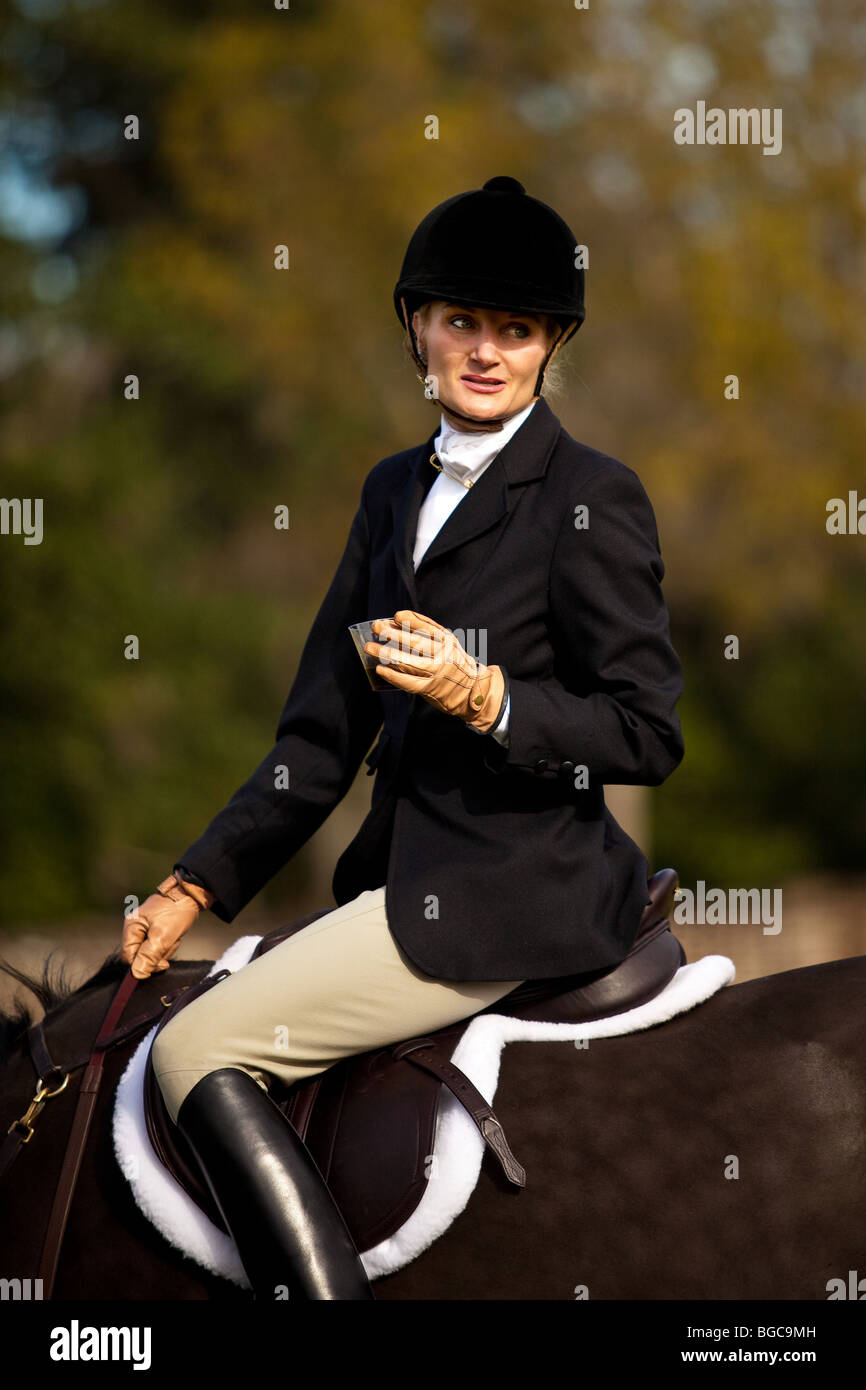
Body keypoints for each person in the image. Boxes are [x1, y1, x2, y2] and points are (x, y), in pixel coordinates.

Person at [120, 175, 684, 1301]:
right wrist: (195, 882)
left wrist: (490, 699)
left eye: (513, 330)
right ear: (416, 330)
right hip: (400, 877)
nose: (483, 351)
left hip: (513, 890)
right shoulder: (388, 494)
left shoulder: (591, 495)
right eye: (459, 322)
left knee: (188, 1054)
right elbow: (317, 737)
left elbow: (644, 729)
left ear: (549, 344)